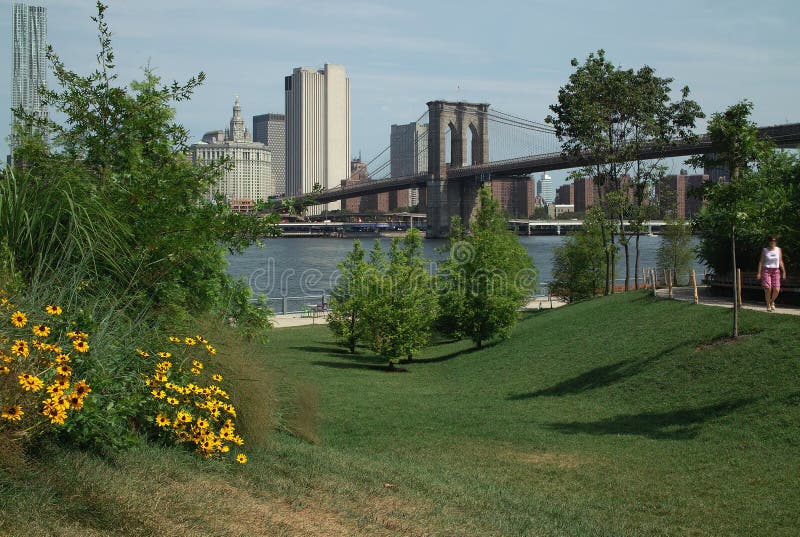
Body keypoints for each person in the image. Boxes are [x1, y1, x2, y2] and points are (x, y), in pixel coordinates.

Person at [756, 236, 787, 311]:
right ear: (769, 242)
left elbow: (780, 261)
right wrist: (759, 273)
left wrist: (784, 272)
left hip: (776, 271)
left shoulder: (778, 250)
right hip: (766, 270)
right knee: (768, 288)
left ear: (776, 242)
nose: (772, 242)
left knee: (776, 289)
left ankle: (771, 301)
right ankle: (768, 306)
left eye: (774, 241)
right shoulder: (765, 250)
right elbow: (761, 262)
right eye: (771, 241)